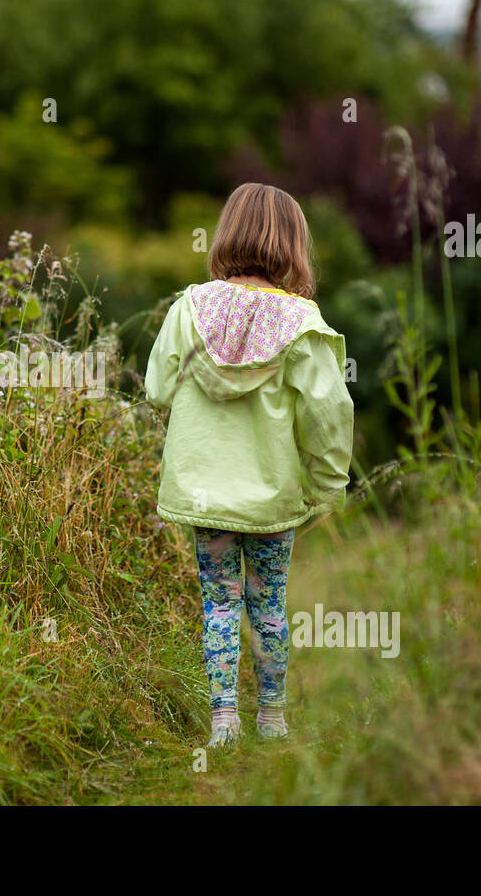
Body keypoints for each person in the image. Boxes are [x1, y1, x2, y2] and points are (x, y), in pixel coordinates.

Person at [144, 183, 354, 747]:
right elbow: (329, 413)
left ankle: (223, 724)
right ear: (293, 244)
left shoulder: (189, 308)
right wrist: (328, 485)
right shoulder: (301, 323)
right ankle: (273, 718)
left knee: (219, 602)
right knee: (270, 603)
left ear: (227, 233)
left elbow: (157, 389)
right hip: (272, 497)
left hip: (206, 492)